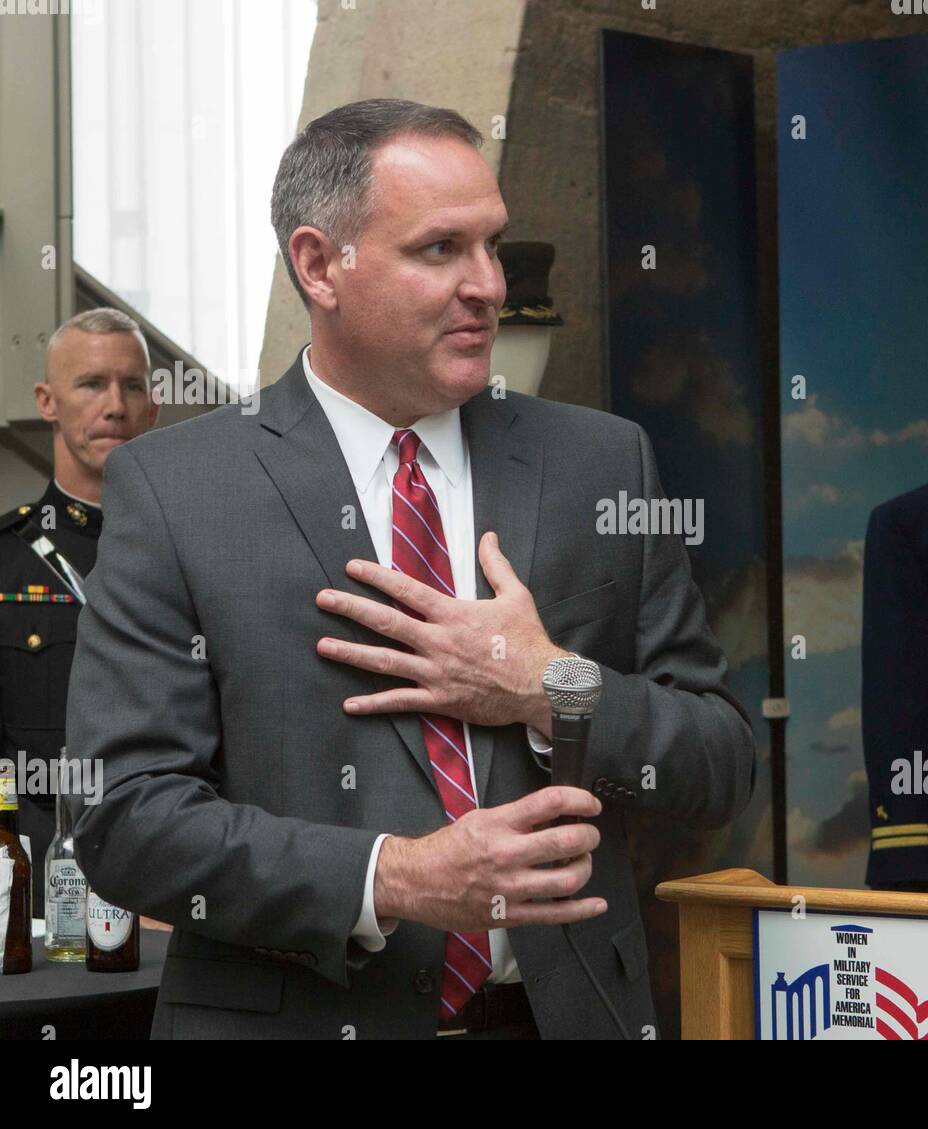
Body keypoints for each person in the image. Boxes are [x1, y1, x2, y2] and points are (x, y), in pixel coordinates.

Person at [68, 98, 754, 1039]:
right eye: (439, 250)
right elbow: (125, 818)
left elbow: (720, 765)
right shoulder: (178, 488)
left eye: (492, 245)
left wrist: (551, 687)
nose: (487, 285)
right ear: (320, 265)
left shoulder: (603, 463)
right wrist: (394, 876)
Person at [0, 309, 157, 917]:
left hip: (186, 904)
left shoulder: (203, 559)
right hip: (46, 907)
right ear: (47, 401)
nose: (114, 405)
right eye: (90, 384)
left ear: (154, 405)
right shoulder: (7, 565)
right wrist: (79, 886)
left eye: (133, 385)